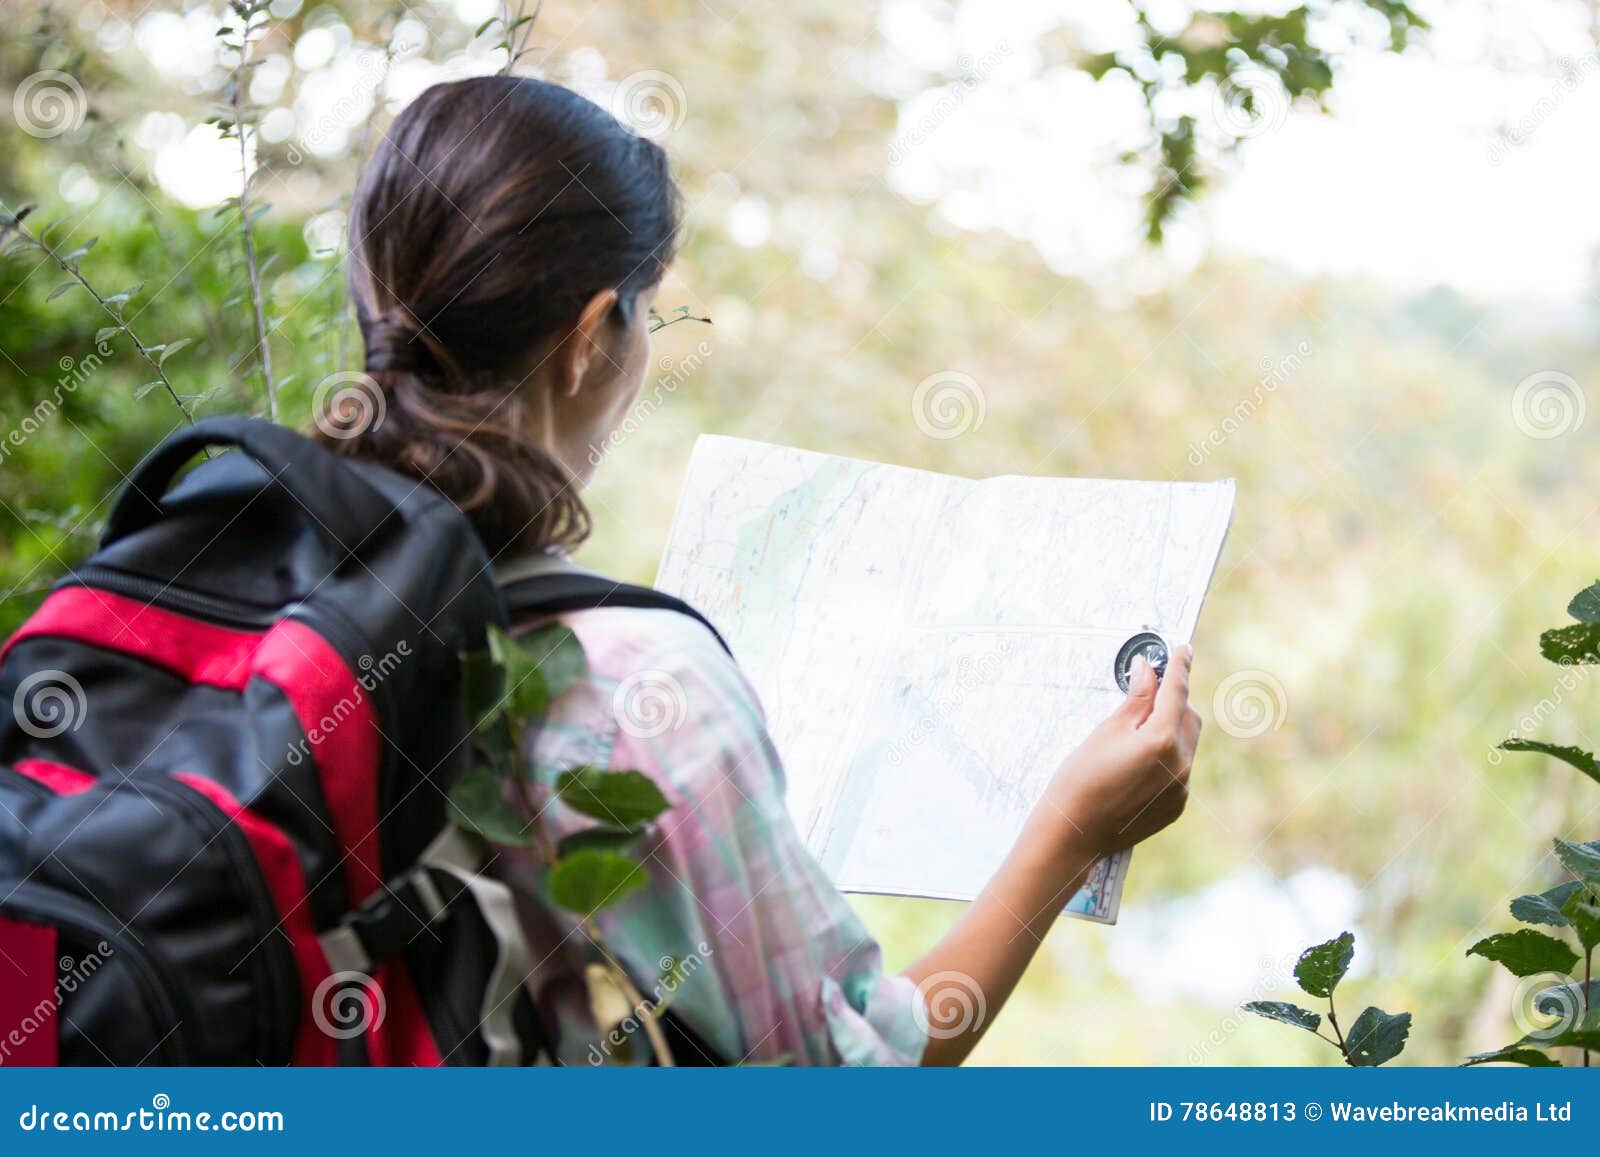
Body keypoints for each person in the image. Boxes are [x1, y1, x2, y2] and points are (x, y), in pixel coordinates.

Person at [322, 74, 1201, 1067]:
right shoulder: (635, 688)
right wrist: (1070, 832)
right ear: (585, 341)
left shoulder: (250, 582)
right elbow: (843, 1084)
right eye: (644, 313)